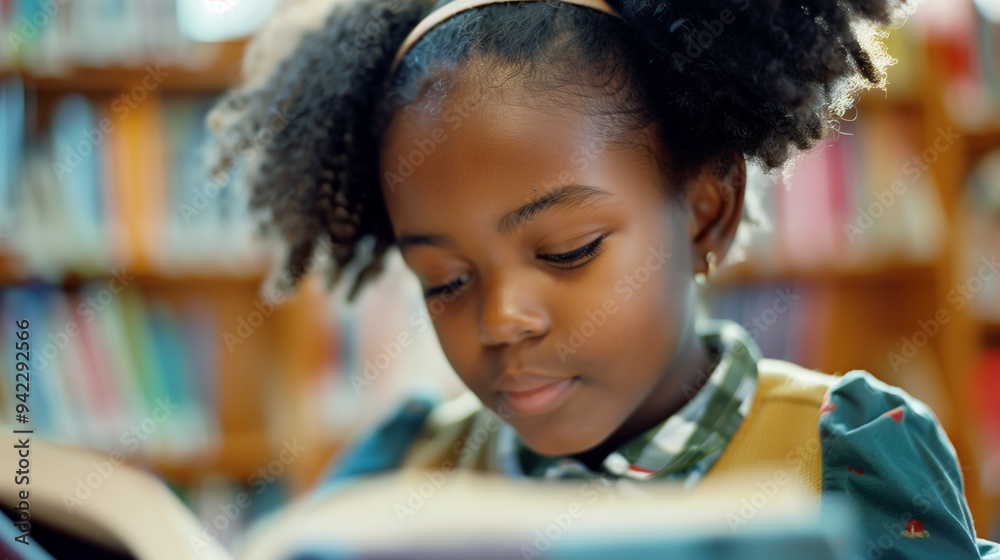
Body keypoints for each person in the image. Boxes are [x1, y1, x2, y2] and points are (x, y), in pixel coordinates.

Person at [207, 0, 1000, 556]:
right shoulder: (407, 462)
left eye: (567, 251)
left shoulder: (846, 454)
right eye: (444, 280)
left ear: (706, 212)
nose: (502, 320)